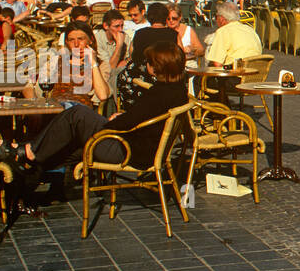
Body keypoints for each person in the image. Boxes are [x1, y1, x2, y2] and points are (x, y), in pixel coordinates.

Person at [12, 42, 188, 178]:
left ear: (157, 66)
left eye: (148, 62)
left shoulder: (159, 93)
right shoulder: (177, 90)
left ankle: (28, 152)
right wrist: (123, 117)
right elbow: (143, 117)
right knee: (73, 133)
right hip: (140, 148)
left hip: (128, 150)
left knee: (77, 113)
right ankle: (30, 158)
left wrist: (113, 121)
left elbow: (128, 122)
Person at [31, 24, 110, 109]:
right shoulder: (57, 61)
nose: (76, 44)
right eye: (71, 40)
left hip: (81, 112)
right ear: (67, 43)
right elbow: (34, 88)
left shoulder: (101, 65)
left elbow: (102, 96)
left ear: (91, 40)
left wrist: (93, 63)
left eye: (81, 39)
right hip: (57, 109)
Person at [118, 2, 179, 112]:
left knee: (121, 76)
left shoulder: (140, 33)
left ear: (149, 17)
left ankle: (128, 110)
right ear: (165, 17)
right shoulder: (173, 34)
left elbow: (132, 54)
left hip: (142, 79)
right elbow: (180, 54)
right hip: (167, 76)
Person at [205, 1, 262, 68]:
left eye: (216, 16)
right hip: (255, 74)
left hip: (235, 74)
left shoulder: (223, 31)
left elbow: (217, 64)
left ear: (222, 19)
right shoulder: (250, 30)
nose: (215, 19)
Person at [94, 10, 128, 84]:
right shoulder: (98, 39)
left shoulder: (125, 36)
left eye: (122, 26)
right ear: (106, 26)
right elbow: (110, 68)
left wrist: (126, 61)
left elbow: (130, 58)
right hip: (104, 77)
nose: (120, 30)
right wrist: (119, 45)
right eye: (116, 26)